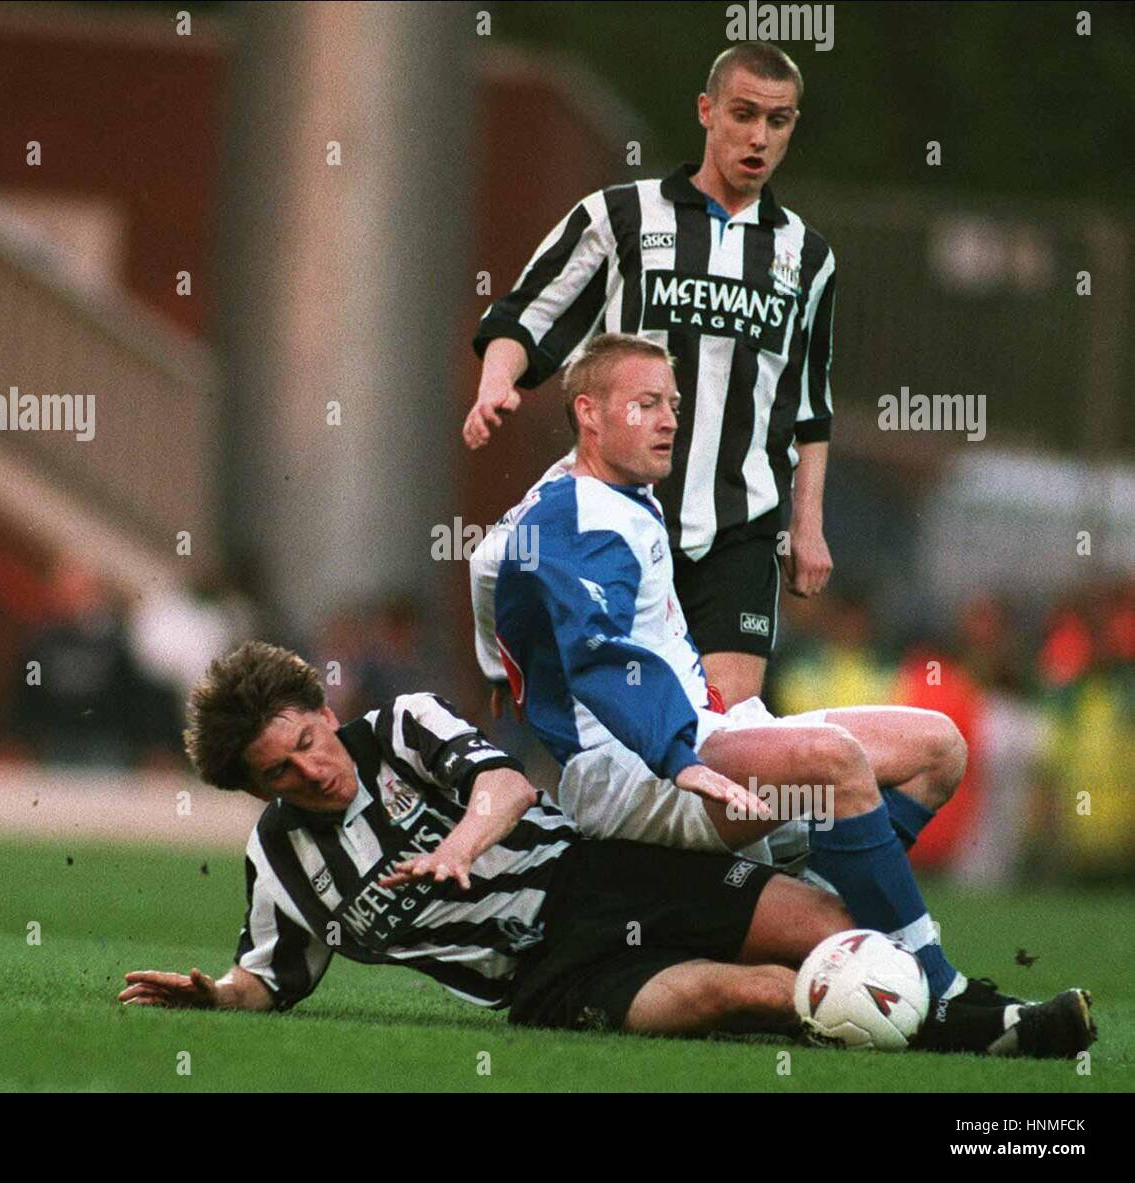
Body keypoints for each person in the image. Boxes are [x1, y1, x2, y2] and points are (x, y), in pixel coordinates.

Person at [469, 332, 1096, 1055]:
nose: (671, 419)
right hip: (640, 772)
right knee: (833, 761)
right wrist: (680, 756)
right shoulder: (578, 519)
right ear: (588, 412)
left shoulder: (576, 498)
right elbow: (600, 654)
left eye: (672, 403)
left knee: (938, 749)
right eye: (647, 404)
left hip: (706, 732)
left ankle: (836, 929)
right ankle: (945, 997)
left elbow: (488, 566)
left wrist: (499, 669)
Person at [116, 642, 1090, 1055]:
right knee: (734, 988)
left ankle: (927, 997)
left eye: (307, 740)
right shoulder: (281, 859)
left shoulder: (400, 727)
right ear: (257, 788)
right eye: (281, 772)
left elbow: (502, 782)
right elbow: (274, 974)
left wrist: (460, 843)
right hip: (547, 978)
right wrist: (215, 995)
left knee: (824, 923)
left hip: (600, 868)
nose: (311, 771)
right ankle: (993, 1029)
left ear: (322, 710)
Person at [466, 41, 835, 708]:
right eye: (743, 113)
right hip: (622, 510)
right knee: (617, 722)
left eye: (776, 121)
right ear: (707, 111)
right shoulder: (622, 216)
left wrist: (806, 525)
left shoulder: (807, 256)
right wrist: (498, 381)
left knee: (721, 730)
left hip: (740, 527)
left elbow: (809, 408)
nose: (758, 136)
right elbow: (526, 313)